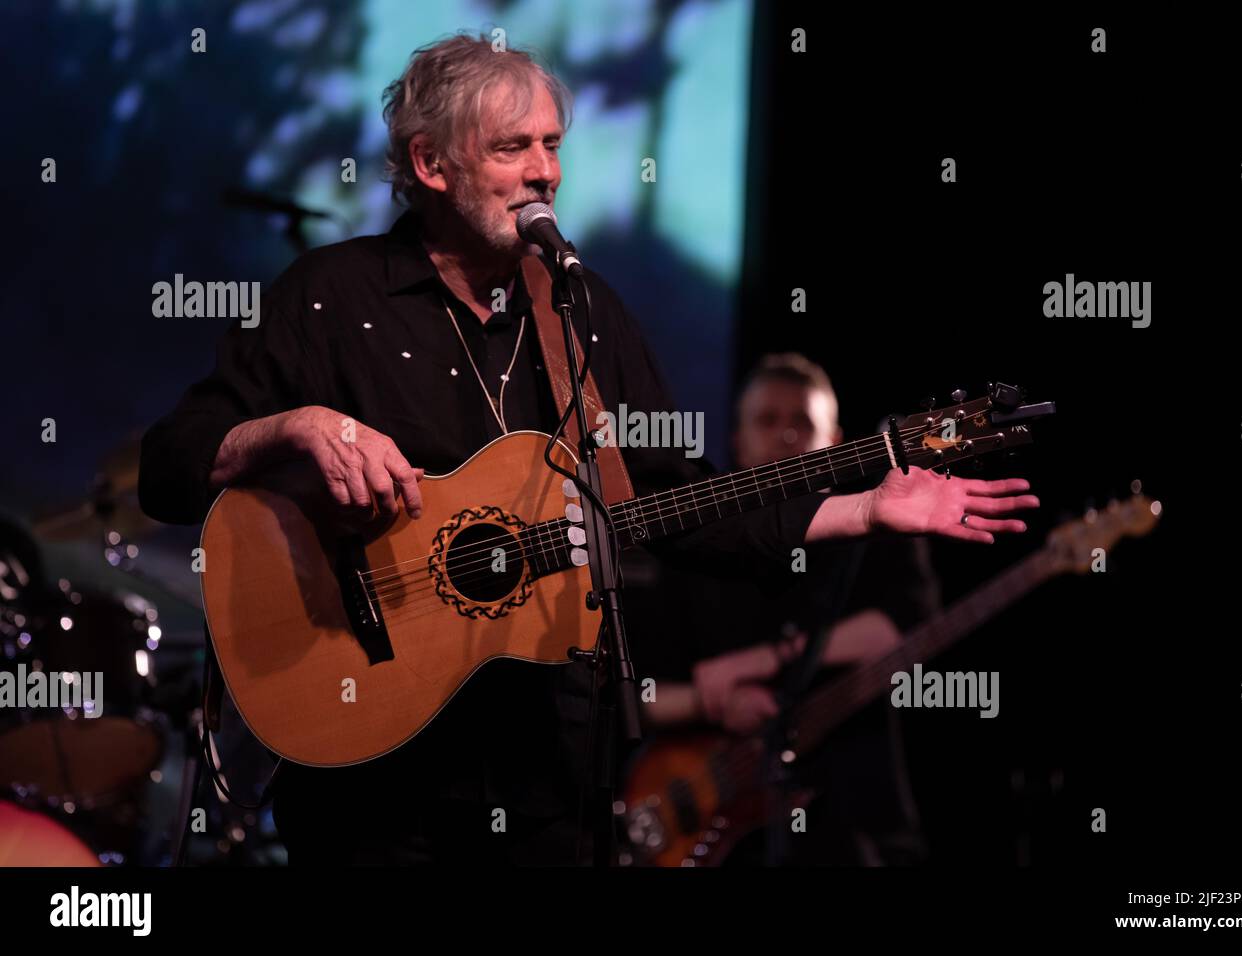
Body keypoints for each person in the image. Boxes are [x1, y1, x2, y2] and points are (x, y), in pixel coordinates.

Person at [138, 33, 1038, 865]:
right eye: (512, 148)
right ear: (430, 164)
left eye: (553, 144)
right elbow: (169, 465)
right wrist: (297, 427)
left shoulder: (583, 312)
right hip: (376, 776)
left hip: (551, 776)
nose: (545, 172)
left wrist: (864, 505)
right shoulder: (332, 297)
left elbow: (678, 504)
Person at [639, 354, 939, 865]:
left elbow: (901, 630)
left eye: (803, 422)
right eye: (767, 420)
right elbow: (641, 696)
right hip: (722, 836)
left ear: (837, 442)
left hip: (854, 829)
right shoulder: (691, 548)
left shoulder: (880, 526)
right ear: (735, 438)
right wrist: (712, 702)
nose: (785, 436)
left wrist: (758, 661)